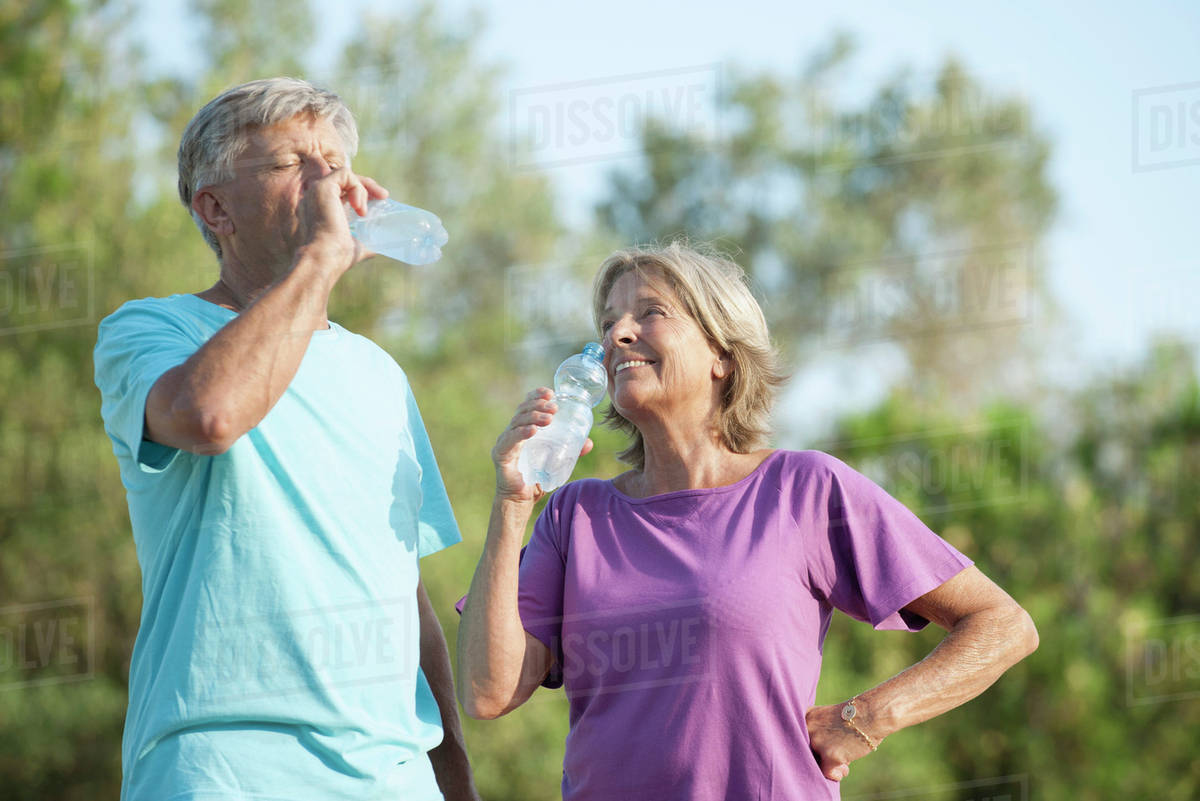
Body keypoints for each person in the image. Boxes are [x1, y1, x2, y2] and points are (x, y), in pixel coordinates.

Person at [456, 242, 1039, 800]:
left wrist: (868, 718)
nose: (617, 335)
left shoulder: (805, 489)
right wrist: (512, 505)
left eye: (649, 313)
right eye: (608, 322)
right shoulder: (571, 515)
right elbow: (487, 692)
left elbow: (1002, 624)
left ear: (722, 355)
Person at [93, 78, 477, 801]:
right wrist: (320, 261)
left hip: (391, 777)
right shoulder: (150, 331)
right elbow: (209, 416)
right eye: (294, 162)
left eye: (335, 162)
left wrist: (454, 779)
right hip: (221, 768)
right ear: (215, 207)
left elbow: (406, 594)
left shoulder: (379, 372)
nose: (328, 180)